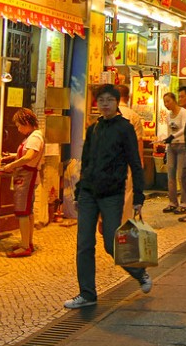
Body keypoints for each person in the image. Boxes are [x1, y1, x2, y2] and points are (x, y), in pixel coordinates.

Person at [64, 84, 150, 308]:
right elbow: (87, 161)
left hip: (112, 194)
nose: (104, 103)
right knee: (84, 244)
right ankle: (87, 294)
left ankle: (139, 272)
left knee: (112, 243)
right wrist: (80, 189)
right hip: (89, 194)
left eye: (109, 99)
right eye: (100, 99)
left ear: (116, 102)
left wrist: (139, 196)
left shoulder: (125, 128)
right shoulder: (93, 129)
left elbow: (135, 163)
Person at [1, 108, 45, 257]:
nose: (18, 129)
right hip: (25, 178)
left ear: (27, 123)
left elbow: (29, 156)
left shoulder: (35, 137)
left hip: (27, 179)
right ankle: (27, 242)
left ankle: (25, 246)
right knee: (28, 211)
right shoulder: (33, 136)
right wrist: (12, 156)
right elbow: (25, 154)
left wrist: (11, 166)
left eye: (20, 125)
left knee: (23, 212)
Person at [116, 83, 145, 223]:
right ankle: (124, 221)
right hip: (126, 159)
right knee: (127, 191)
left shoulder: (107, 113)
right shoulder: (133, 115)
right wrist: (140, 162)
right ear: (128, 97)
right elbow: (139, 141)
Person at [156, 92, 186, 214]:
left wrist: (173, 136)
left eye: (168, 101)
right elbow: (169, 131)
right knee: (170, 175)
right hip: (171, 147)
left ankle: (184, 202)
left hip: (182, 145)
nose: (166, 104)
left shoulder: (183, 112)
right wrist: (165, 145)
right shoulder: (169, 115)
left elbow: (185, 128)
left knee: (181, 176)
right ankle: (172, 202)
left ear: (174, 100)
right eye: (164, 102)